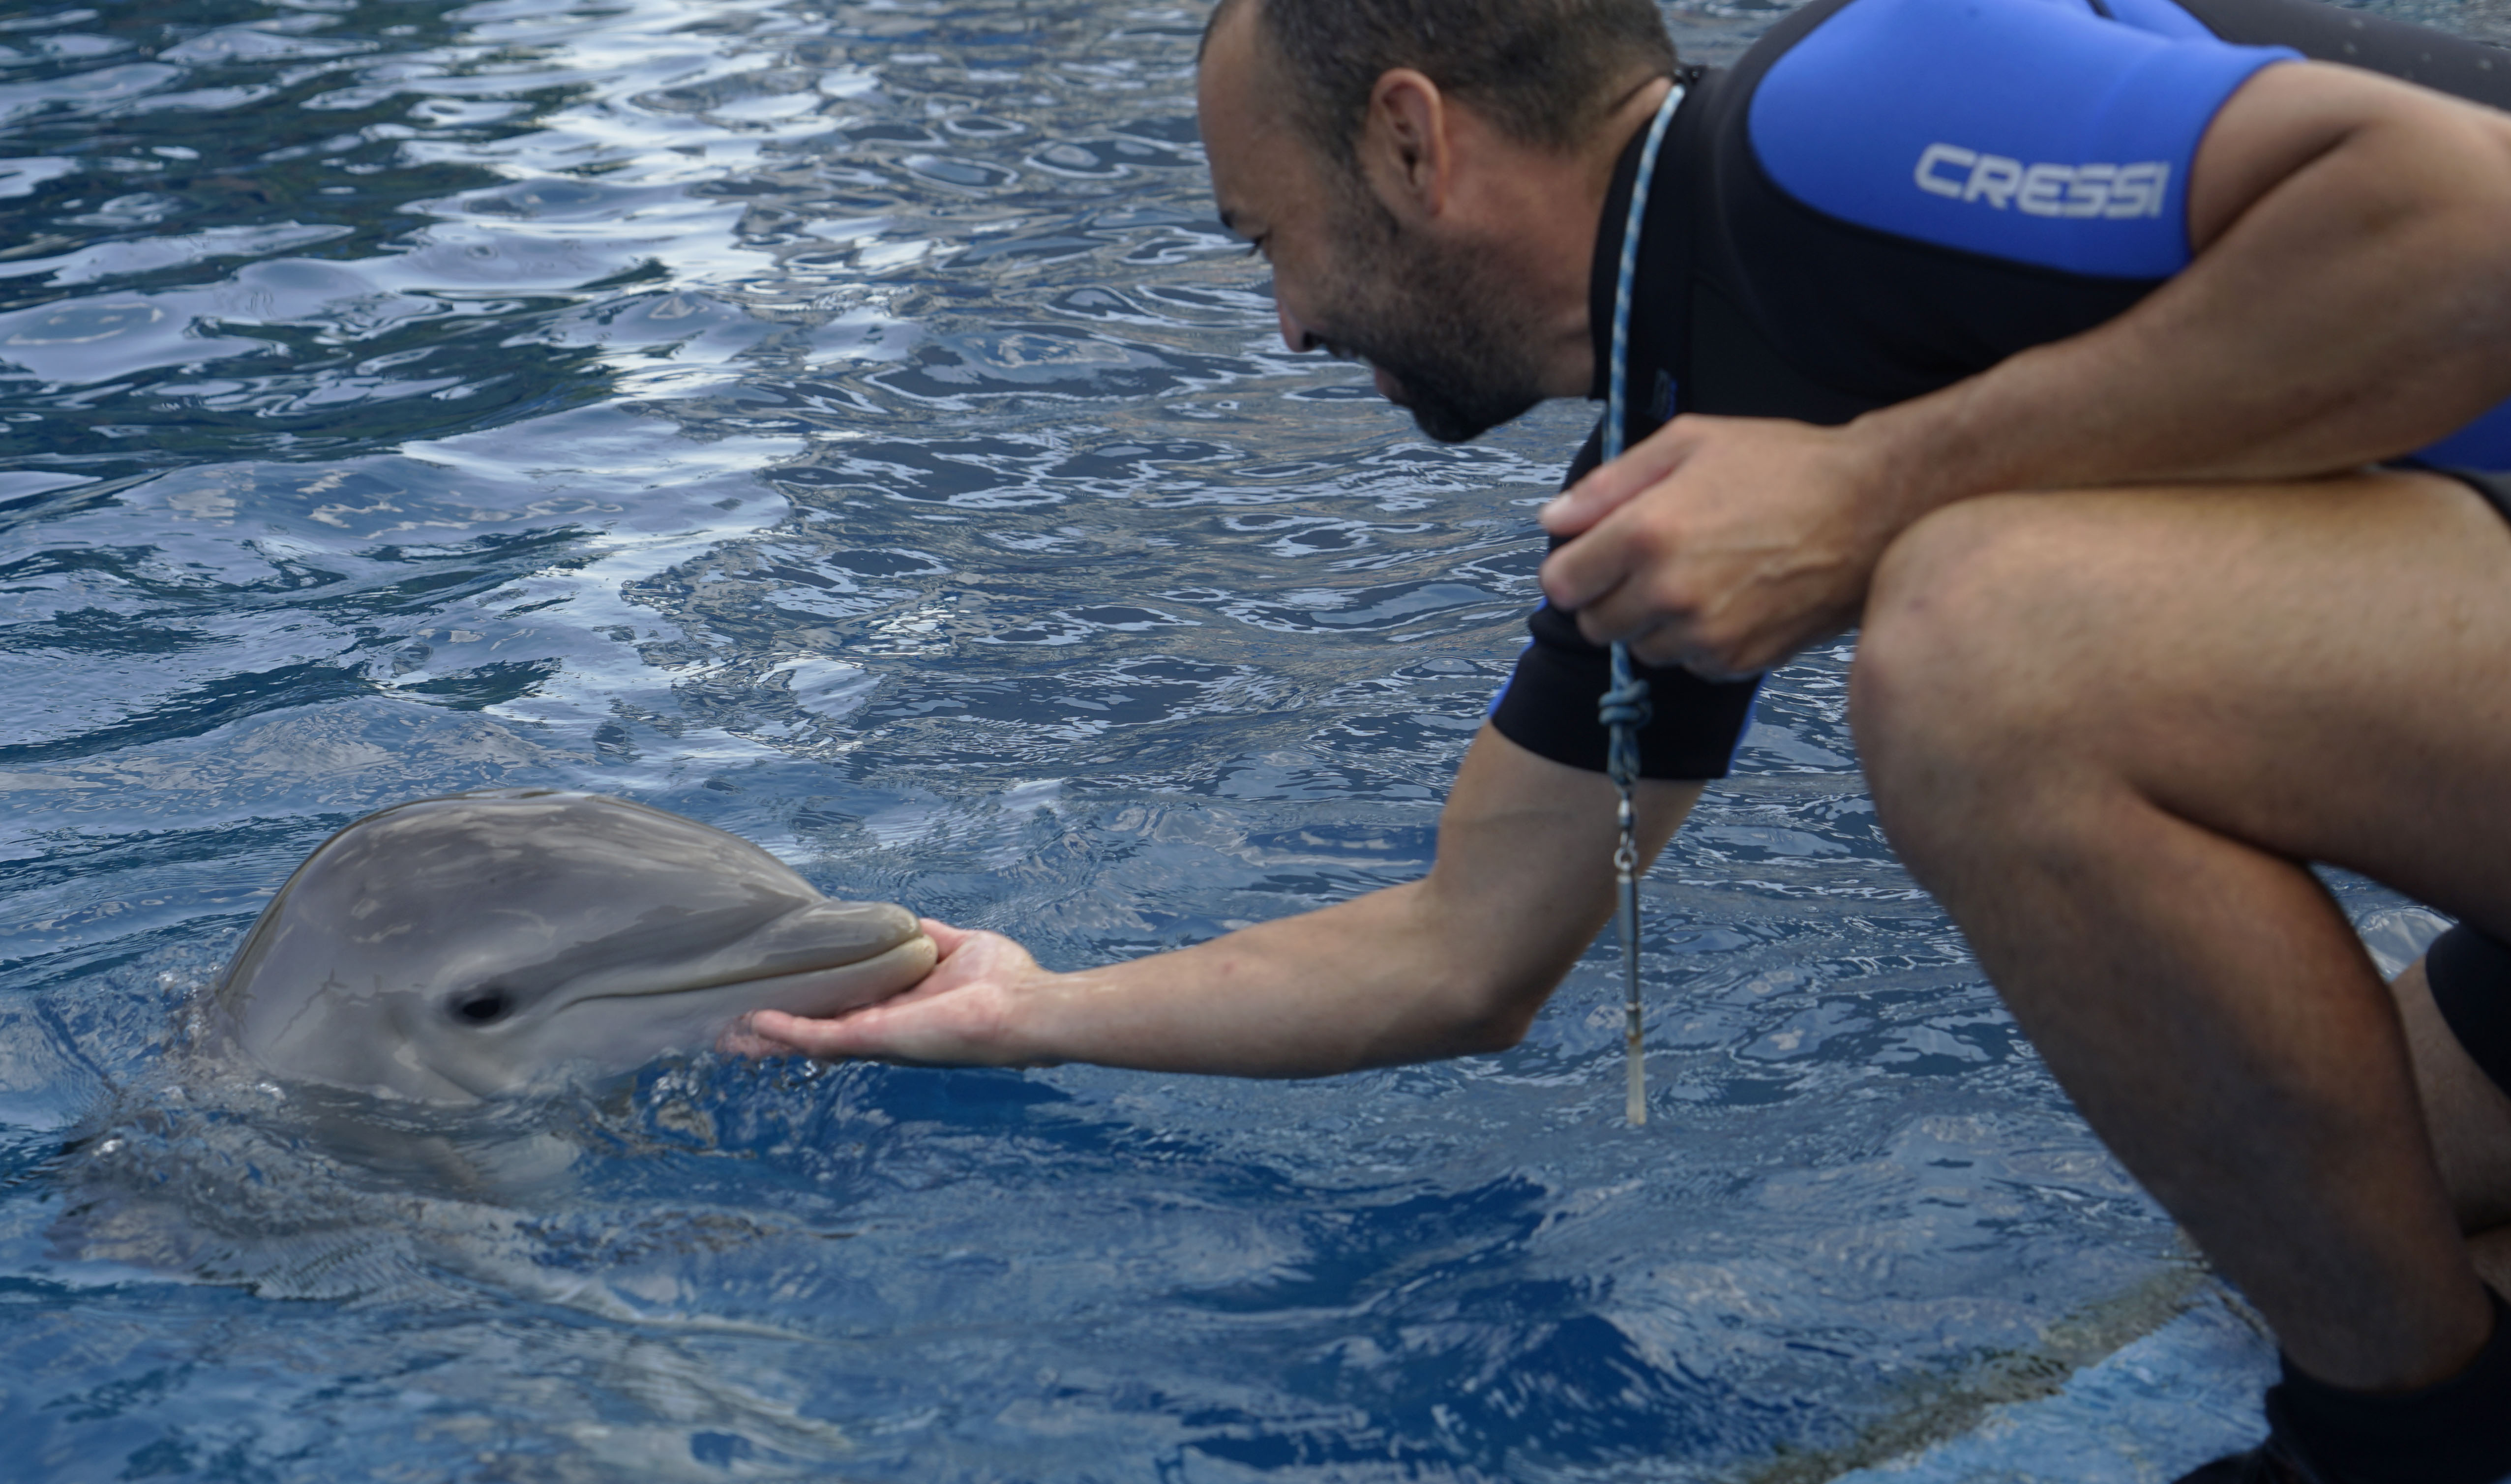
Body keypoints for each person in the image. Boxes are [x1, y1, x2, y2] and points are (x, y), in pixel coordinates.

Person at [730, 0, 2511, 1477]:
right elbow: (1465, 949)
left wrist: (1871, 489)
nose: (1288, 323)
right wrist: (1026, 1007)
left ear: (1411, 144)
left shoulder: (1857, 100)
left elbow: (2471, 222)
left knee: (1985, 641)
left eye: (1270, 239)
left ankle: (2395, 1452)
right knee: (2321, 1202)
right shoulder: (1693, 428)